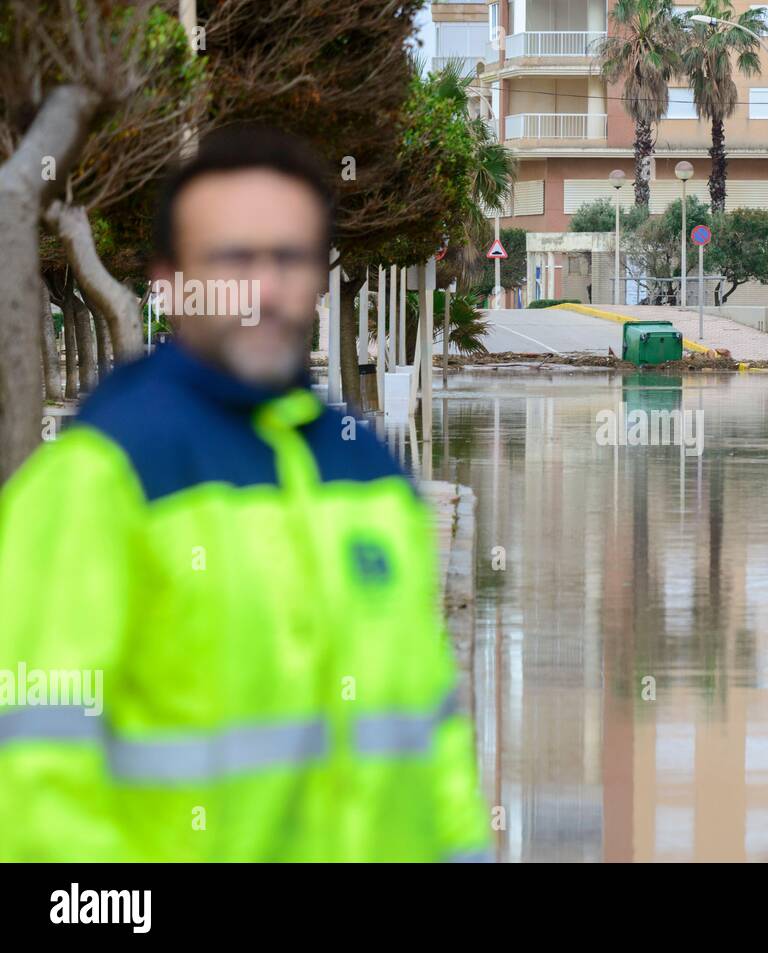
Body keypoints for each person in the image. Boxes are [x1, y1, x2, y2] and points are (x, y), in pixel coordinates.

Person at [0, 126, 491, 861]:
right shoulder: (94, 480)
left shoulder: (373, 478)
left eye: (289, 258)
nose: (263, 288)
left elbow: (432, 741)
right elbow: (34, 795)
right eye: (232, 257)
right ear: (166, 280)